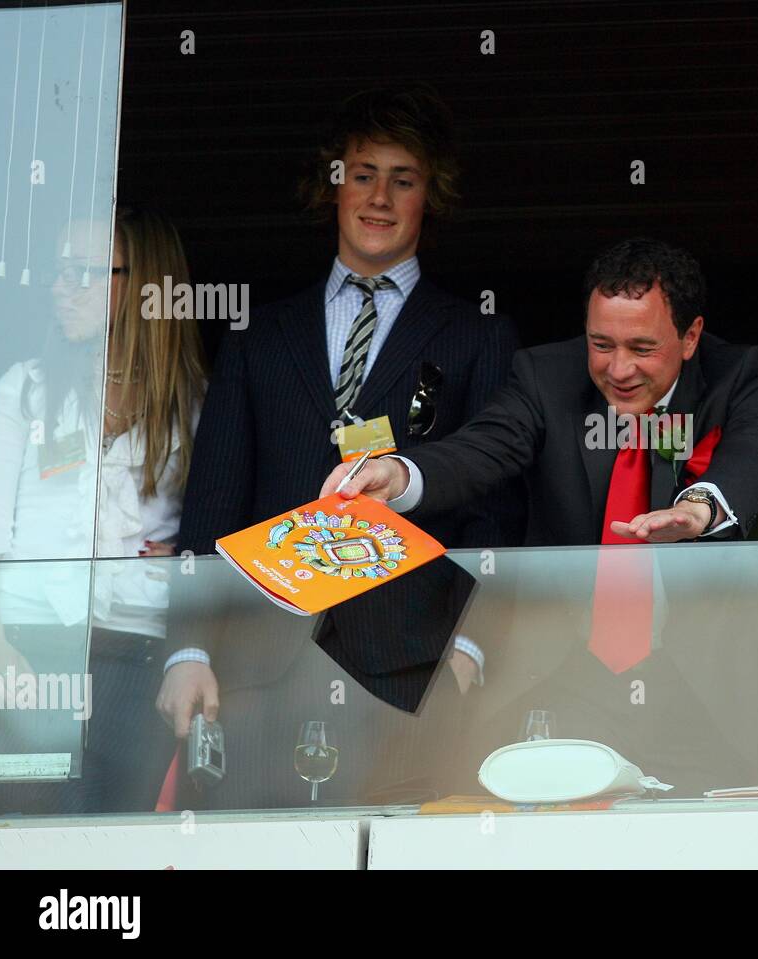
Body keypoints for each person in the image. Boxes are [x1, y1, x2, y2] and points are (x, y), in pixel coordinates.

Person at [157, 85, 522, 734]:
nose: (379, 198)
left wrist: (468, 644)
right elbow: (213, 499)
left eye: (402, 180)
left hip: (412, 663)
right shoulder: (256, 336)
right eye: (363, 175)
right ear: (333, 186)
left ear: (429, 196)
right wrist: (189, 649)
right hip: (256, 659)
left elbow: (493, 510)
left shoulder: (478, 335)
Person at [323, 236, 758, 546]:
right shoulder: (546, 375)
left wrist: (701, 507)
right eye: (601, 344)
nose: (619, 369)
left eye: (643, 348)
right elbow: (480, 449)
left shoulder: (744, 374)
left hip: (703, 655)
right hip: (563, 652)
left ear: (690, 337)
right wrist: (399, 474)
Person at [0, 207, 207, 812]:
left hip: (139, 657)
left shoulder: (193, 405)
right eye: (61, 272)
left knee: (116, 839)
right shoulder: (25, 388)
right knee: (35, 832)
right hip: (33, 652)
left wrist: (190, 553)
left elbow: (222, 526)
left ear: (145, 285)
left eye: (86, 272)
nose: (63, 288)